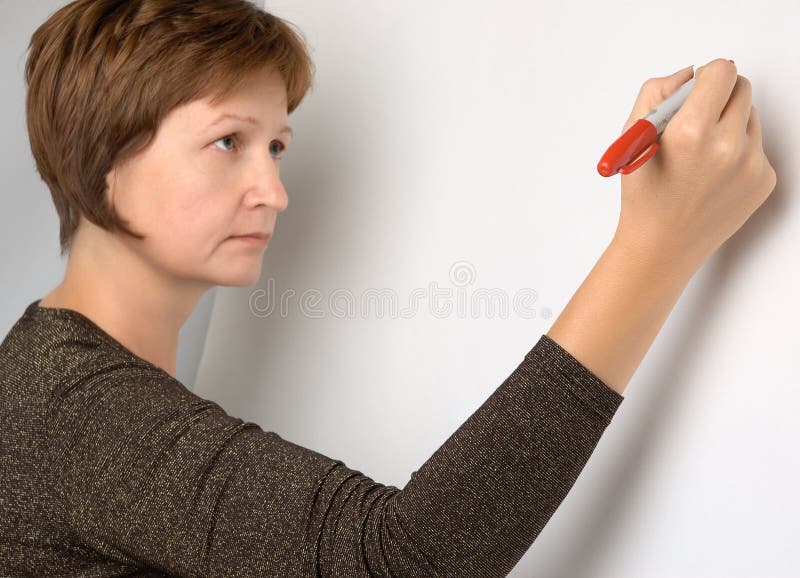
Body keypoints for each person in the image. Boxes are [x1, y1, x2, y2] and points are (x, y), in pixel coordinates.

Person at [0, 0, 777, 576]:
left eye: (276, 146)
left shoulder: (62, 377)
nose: (272, 190)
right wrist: (657, 246)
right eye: (228, 142)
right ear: (100, 156)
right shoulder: (70, 404)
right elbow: (404, 562)